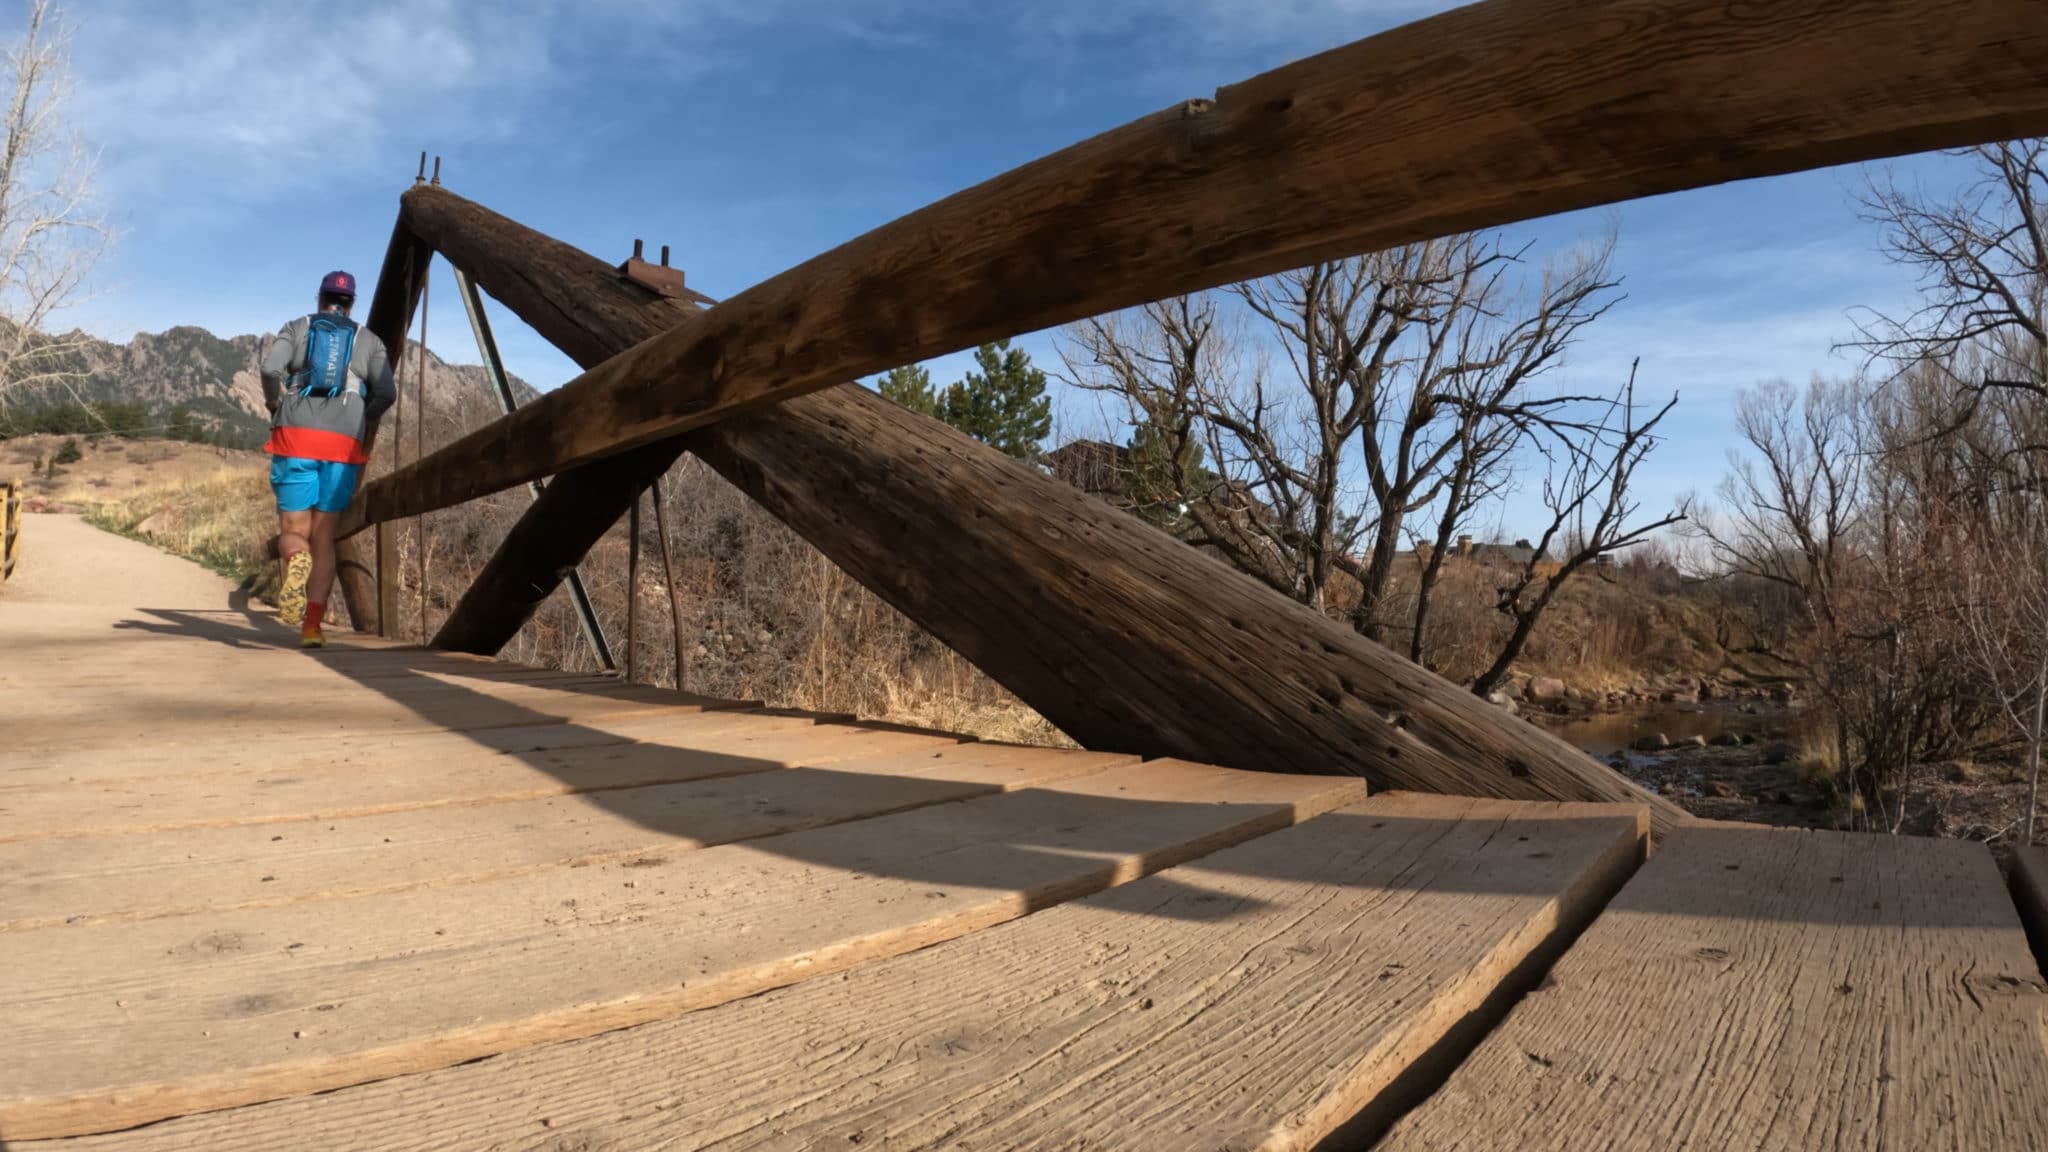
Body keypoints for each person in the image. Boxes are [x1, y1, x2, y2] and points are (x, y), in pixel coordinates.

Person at [259, 270, 395, 648]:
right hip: (342, 445)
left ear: (320, 297)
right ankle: (312, 627)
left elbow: (271, 369)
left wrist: (276, 402)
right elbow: (386, 392)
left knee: (294, 531)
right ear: (352, 303)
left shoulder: (297, 327)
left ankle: (294, 562)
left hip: (295, 438)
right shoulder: (369, 340)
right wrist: (360, 417)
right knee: (324, 536)